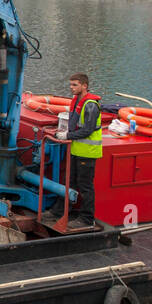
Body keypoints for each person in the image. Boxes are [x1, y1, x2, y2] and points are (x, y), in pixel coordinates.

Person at [46, 73, 103, 227]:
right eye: (71, 85)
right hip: (77, 150)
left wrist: (67, 135)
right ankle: (60, 211)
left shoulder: (90, 105)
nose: (71, 88)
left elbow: (88, 130)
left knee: (85, 186)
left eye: (75, 85)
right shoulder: (77, 101)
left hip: (88, 152)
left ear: (84, 86)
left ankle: (87, 219)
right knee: (69, 181)